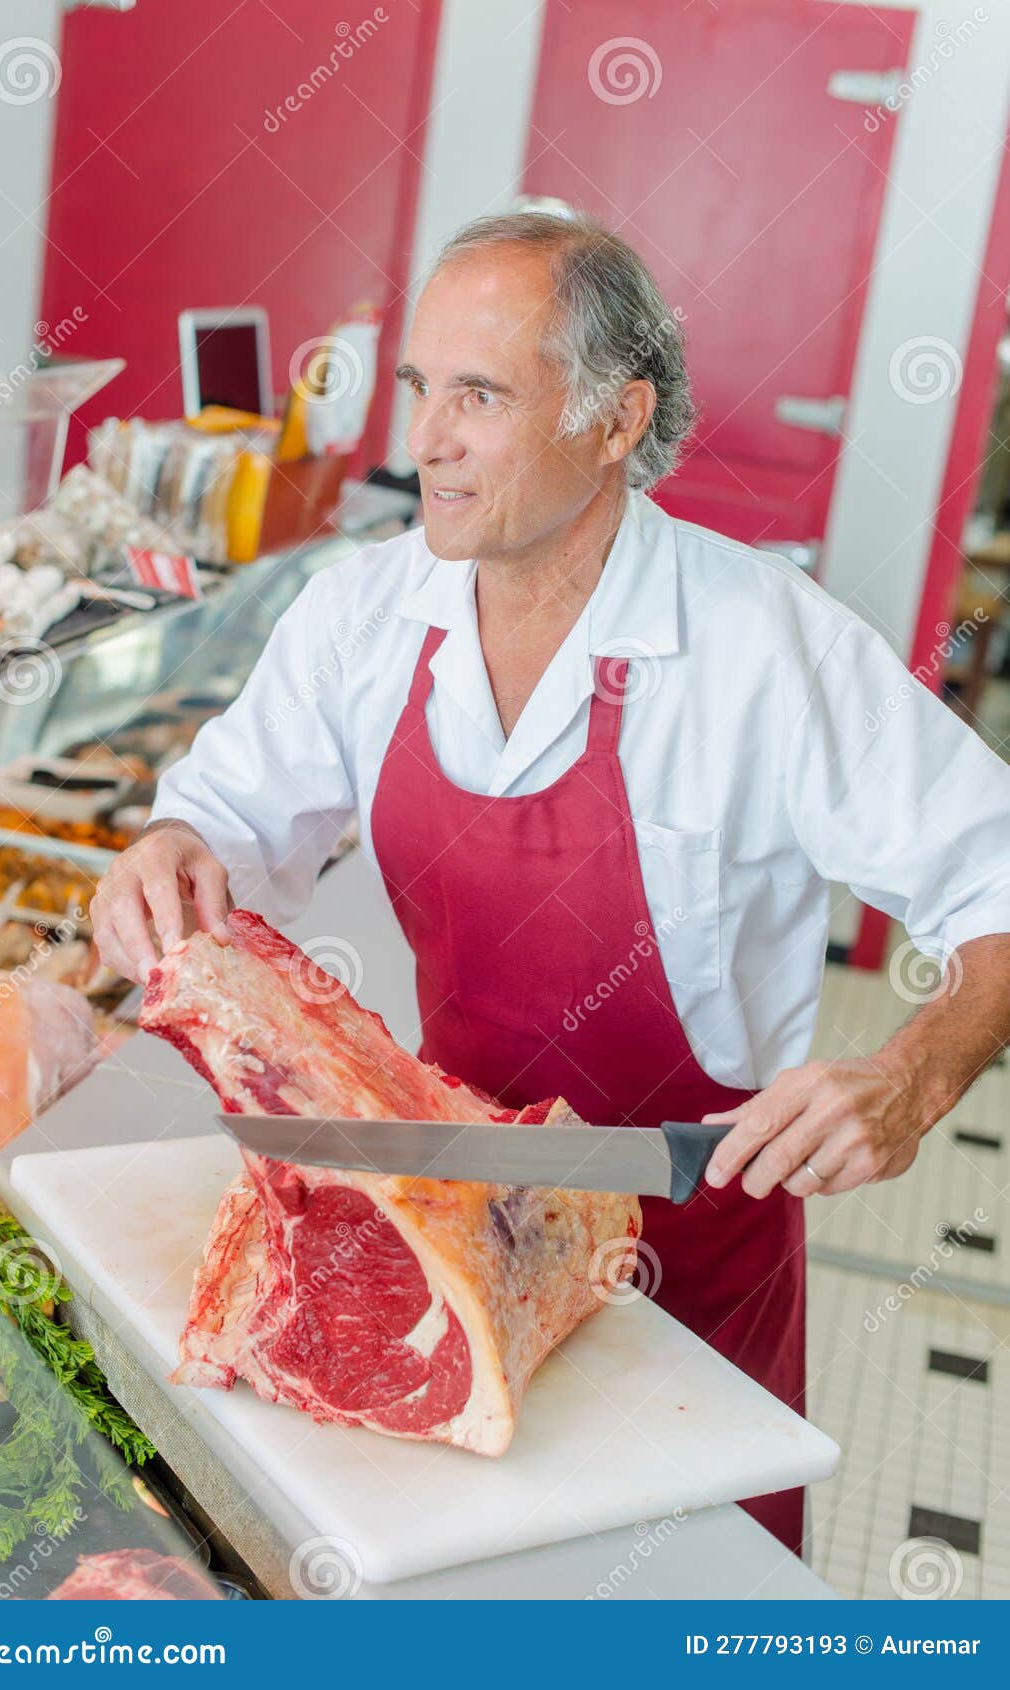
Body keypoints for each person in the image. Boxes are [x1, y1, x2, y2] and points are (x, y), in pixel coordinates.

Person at [91, 213, 1010, 1555]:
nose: (427, 441)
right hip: (452, 1219)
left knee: (680, 1609)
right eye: (420, 389)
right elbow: (229, 815)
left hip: (689, 1263)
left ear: (616, 418)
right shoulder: (365, 612)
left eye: (481, 395)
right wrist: (177, 847)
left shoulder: (757, 645)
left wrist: (916, 1072)